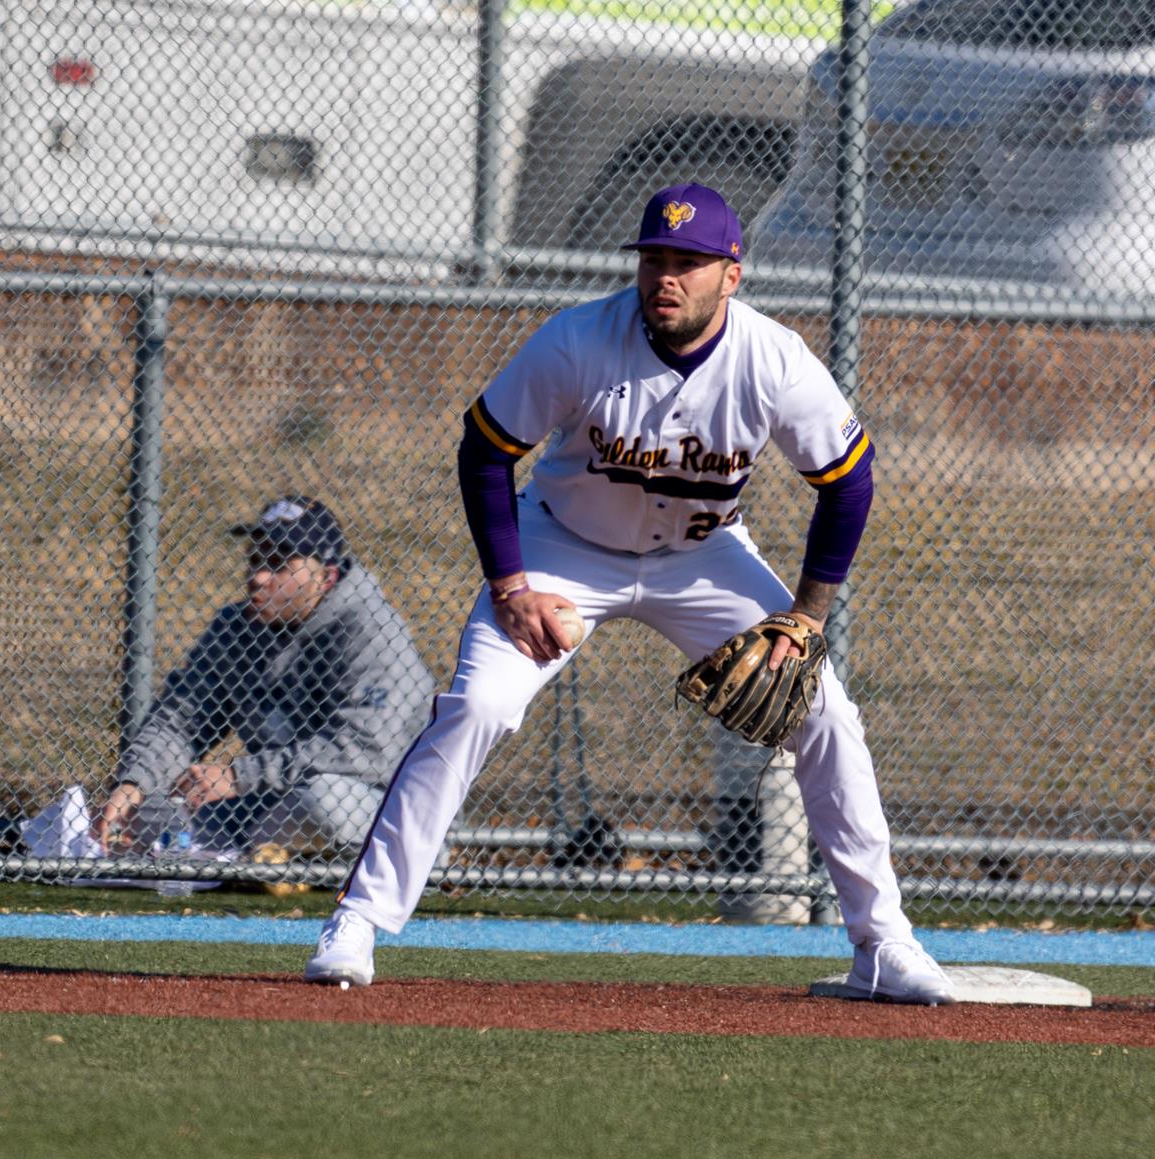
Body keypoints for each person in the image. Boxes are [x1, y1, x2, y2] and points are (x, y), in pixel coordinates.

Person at [303, 184, 955, 1003]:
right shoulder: (578, 340)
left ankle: (882, 944)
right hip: (560, 546)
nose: (666, 278)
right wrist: (509, 586)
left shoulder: (773, 359)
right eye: (654, 260)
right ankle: (358, 920)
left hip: (702, 555)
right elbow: (484, 449)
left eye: (689, 263)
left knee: (825, 713)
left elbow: (849, 482)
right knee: (477, 706)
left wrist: (805, 616)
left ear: (733, 275)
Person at [92, 496, 435, 859]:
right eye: (256, 559)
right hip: (269, 804)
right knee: (146, 815)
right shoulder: (236, 630)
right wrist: (134, 785)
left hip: (385, 806)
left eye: (279, 564)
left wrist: (239, 776)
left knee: (324, 804)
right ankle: (266, 861)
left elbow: (363, 751)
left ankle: (268, 860)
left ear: (326, 577)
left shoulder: (371, 632)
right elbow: (180, 722)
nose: (258, 577)